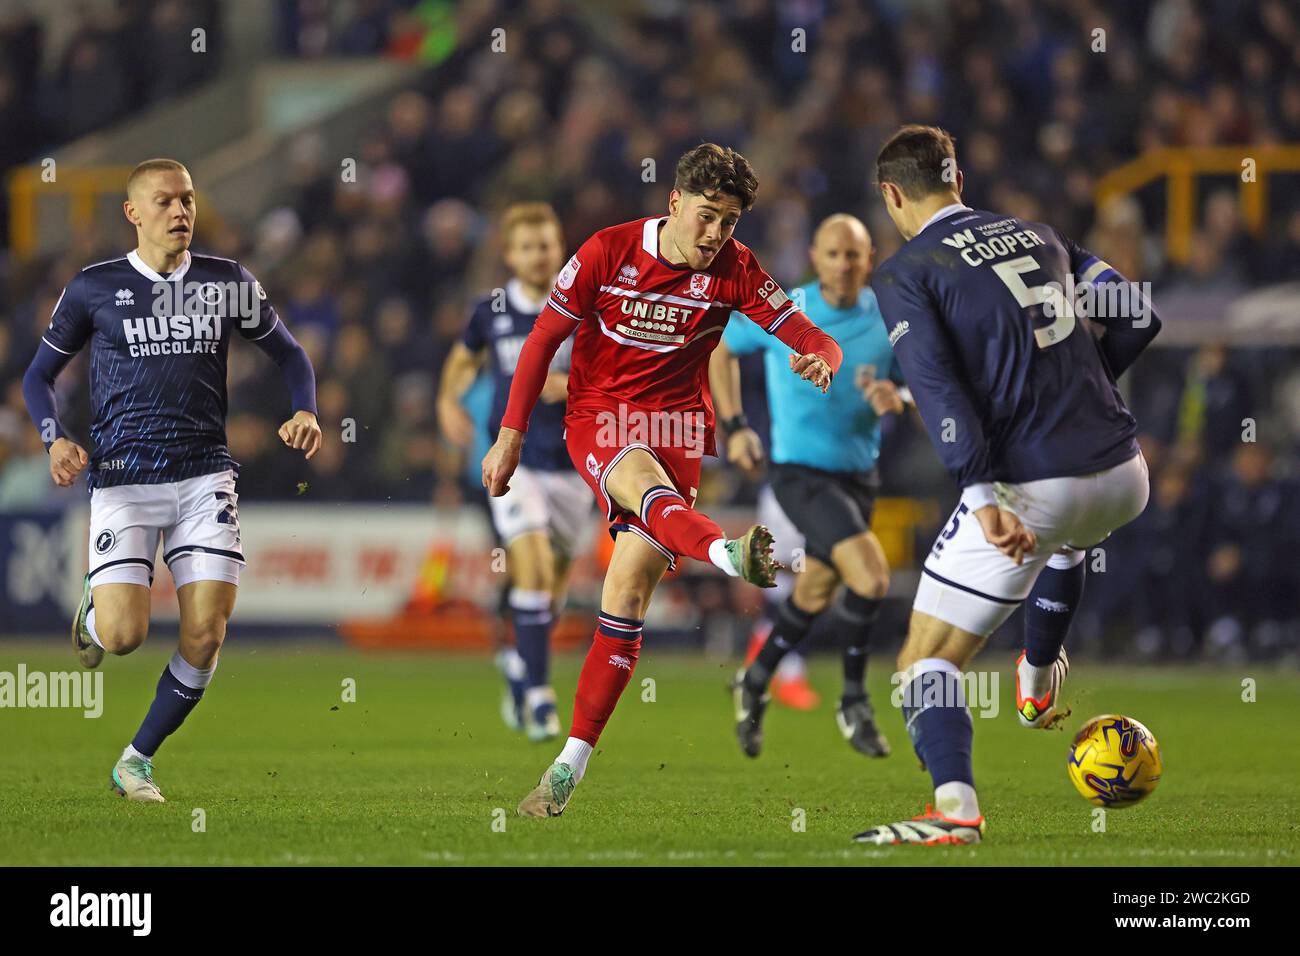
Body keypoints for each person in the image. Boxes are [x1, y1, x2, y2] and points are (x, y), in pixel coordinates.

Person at [481, 143, 843, 817]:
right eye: (706, 216)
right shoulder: (606, 252)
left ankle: (567, 766)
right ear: (674, 203)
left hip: (679, 432)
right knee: (644, 486)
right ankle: (728, 553)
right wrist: (510, 435)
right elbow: (539, 343)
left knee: (627, 590)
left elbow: (807, 332)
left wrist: (821, 357)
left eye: (729, 222)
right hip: (599, 419)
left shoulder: (736, 270)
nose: (715, 235)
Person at [855, 126, 1160, 844]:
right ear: (956, 179)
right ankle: (1038, 669)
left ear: (892, 194)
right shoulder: (1042, 236)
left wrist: (982, 498)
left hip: (1034, 485)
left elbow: (940, 396)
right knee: (1066, 541)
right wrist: (1079, 391)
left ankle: (955, 811)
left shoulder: (907, 272)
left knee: (924, 659)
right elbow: (1140, 316)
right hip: (1122, 474)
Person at [21, 158, 320, 802]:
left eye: (187, 200)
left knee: (206, 632)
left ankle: (136, 759)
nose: (181, 211)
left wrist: (305, 410)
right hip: (123, 481)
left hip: (204, 478)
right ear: (133, 213)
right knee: (125, 637)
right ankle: (96, 620)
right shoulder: (94, 288)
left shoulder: (227, 282)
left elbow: (291, 354)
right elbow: (36, 377)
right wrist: (55, 440)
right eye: (165, 202)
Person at [711, 213, 909, 759]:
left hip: (859, 477)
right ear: (814, 258)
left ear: (870, 260)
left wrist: (901, 398)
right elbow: (719, 349)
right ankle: (853, 700)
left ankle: (753, 683)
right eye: (833, 254)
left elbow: (923, 385)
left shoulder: (892, 317)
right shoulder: (785, 310)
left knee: (815, 591)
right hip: (798, 474)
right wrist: (733, 427)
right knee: (869, 578)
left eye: (855, 254)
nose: (844, 265)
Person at [438, 202, 593, 741]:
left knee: (549, 592)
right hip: (513, 459)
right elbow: (463, 359)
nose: (537, 256)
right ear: (509, 254)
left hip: (576, 465)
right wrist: (447, 403)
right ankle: (541, 696)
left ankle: (519, 669)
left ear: (561, 248)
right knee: (530, 568)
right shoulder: (491, 309)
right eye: (526, 247)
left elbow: (614, 375)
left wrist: (570, 386)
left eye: (546, 245)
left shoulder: (585, 306)